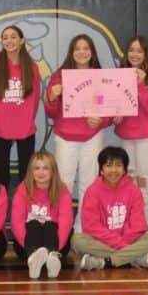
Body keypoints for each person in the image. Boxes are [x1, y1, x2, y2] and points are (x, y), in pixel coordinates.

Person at [44, 35, 111, 225]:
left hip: (92, 137)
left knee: (89, 184)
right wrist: (52, 97)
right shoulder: (60, 76)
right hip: (66, 137)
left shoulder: (101, 77)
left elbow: (108, 108)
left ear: (92, 52)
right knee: (63, 182)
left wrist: (101, 120)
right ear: (71, 53)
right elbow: (51, 112)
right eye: (77, 49)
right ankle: (60, 225)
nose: (82, 52)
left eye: (86, 48)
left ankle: (83, 227)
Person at [71, 147, 148, 270]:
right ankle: (134, 258)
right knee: (77, 241)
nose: (113, 170)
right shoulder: (92, 191)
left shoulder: (134, 190)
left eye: (118, 165)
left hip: (130, 240)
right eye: (109, 165)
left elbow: (138, 225)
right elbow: (91, 226)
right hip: (103, 241)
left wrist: (123, 242)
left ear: (124, 170)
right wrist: (120, 245)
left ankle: (105, 262)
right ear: (101, 170)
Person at [114, 36, 148, 226]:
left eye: (139, 51)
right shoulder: (119, 74)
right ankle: (131, 225)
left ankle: (147, 225)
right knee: (129, 182)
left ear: (146, 55)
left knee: (145, 182)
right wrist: (115, 116)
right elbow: (112, 104)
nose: (135, 54)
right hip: (127, 136)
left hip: (147, 137)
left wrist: (142, 84)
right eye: (131, 50)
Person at [0, 25, 41, 190]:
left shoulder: (31, 67)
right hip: (1, 127)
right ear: (2, 42)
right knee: (1, 174)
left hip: (25, 128)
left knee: (26, 173)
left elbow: (35, 98)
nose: (9, 41)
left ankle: (23, 208)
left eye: (13, 37)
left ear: (21, 40)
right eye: (5, 37)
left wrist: (27, 118)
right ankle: (1, 207)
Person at [11, 150, 74, 279]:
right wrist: (29, 248)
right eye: (37, 168)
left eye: (45, 168)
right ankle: (33, 260)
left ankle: (53, 259)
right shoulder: (23, 189)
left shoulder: (62, 190)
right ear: (30, 171)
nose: (41, 172)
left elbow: (66, 222)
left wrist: (57, 248)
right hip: (28, 244)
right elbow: (16, 223)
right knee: (33, 224)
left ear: (53, 171)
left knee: (50, 224)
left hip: (55, 243)